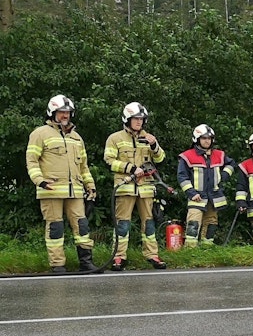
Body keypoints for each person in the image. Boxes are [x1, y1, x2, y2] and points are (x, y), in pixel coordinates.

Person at [26, 95, 98, 273]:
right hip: (51, 191)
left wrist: (91, 185)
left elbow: (83, 166)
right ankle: (57, 264)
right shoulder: (40, 134)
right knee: (55, 228)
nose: (65, 115)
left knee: (82, 225)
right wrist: (40, 181)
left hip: (75, 191)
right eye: (61, 112)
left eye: (67, 112)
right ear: (52, 112)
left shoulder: (76, 138)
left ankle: (86, 262)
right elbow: (32, 161)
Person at [104, 102, 167, 270]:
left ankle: (152, 255)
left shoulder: (148, 138)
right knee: (122, 224)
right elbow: (109, 161)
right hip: (125, 188)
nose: (139, 122)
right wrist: (131, 168)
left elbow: (160, 159)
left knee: (150, 223)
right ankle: (119, 257)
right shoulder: (115, 138)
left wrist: (154, 145)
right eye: (136, 119)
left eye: (141, 119)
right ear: (127, 119)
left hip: (146, 188)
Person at [177, 124, 235, 247]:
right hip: (197, 196)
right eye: (204, 138)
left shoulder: (219, 154)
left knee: (211, 224)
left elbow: (231, 164)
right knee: (193, 223)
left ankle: (207, 250)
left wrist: (224, 175)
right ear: (197, 139)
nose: (207, 141)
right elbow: (182, 177)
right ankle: (190, 251)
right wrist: (191, 193)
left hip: (214, 197)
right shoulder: (187, 156)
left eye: (209, 138)